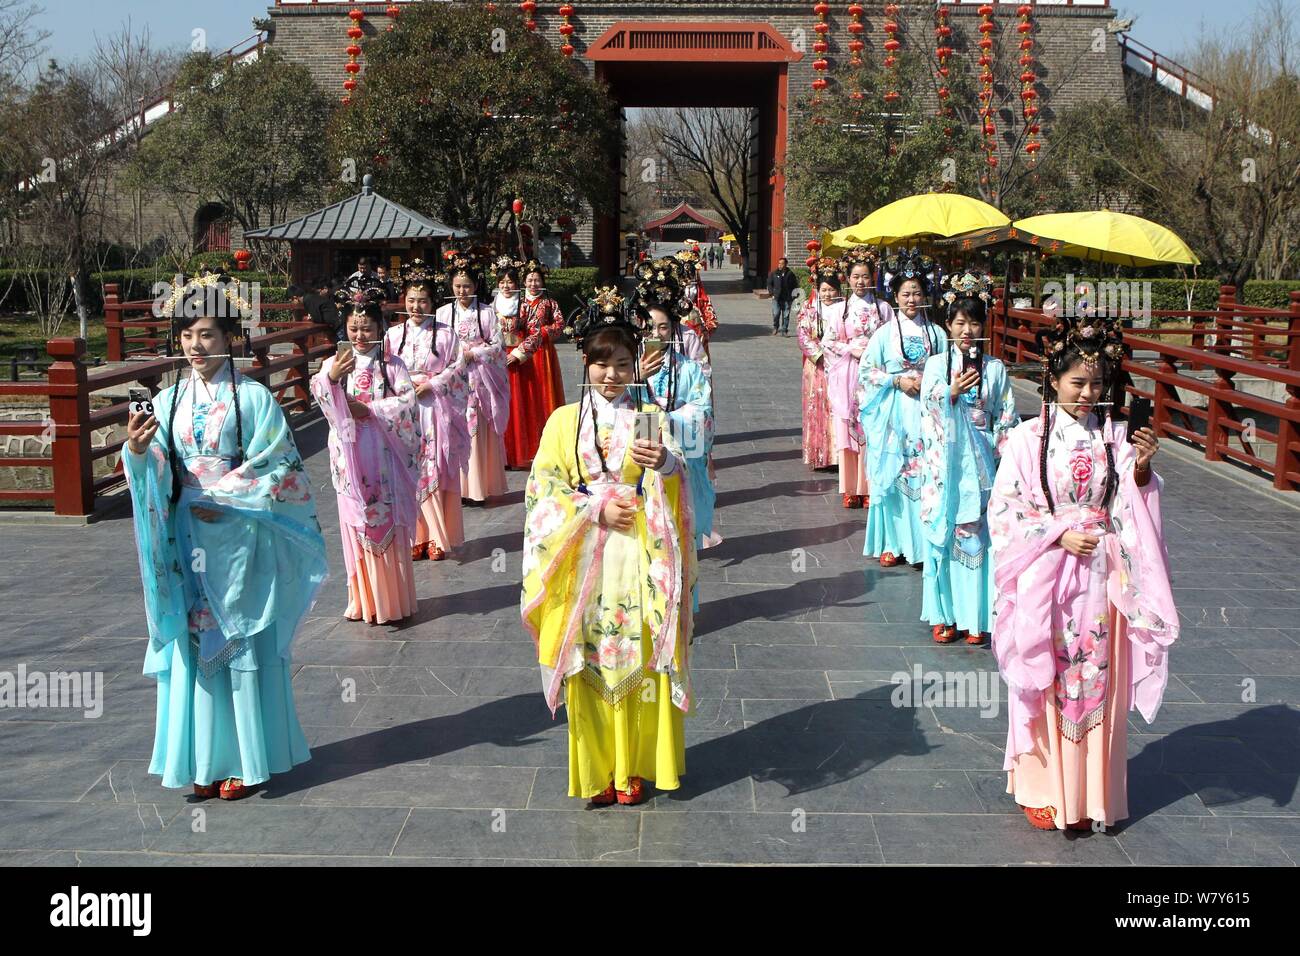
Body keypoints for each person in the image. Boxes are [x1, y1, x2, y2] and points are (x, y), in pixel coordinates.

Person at [123, 273, 326, 800]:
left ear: (231, 337)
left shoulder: (255, 397)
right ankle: (203, 759)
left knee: (236, 644)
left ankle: (241, 759)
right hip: (184, 534)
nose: (195, 346)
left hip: (238, 536)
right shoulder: (167, 399)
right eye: (187, 334)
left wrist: (228, 498)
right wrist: (140, 454)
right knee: (194, 646)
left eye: (207, 335)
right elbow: (162, 466)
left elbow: (279, 465)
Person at [989, 316, 1177, 832]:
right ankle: (1043, 788)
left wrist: (1140, 468)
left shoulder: (1117, 438)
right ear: (1053, 380)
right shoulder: (1027, 440)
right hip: (1048, 578)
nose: (1088, 393)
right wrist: (1056, 535)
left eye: (1098, 384)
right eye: (1078, 383)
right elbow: (1006, 512)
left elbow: (1129, 505)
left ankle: (1093, 792)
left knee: (1097, 681)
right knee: (1049, 677)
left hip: (1103, 578)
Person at [522, 286, 696, 806]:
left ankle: (636, 767)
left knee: (639, 655)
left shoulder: (650, 416)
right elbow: (542, 489)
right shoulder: (561, 420)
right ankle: (596, 771)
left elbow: (677, 479)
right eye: (601, 363)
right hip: (582, 554)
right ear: (585, 362)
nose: (612, 374)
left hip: (638, 550)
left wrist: (664, 464)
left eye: (622, 363)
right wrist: (594, 508)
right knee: (588, 656)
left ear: (634, 365)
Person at [918, 271, 1019, 644]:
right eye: (960, 322)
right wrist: (950, 393)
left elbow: (1006, 419)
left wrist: (1005, 462)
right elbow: (927, 413)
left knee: (977, 537)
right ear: (948, 324)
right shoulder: (935, 366)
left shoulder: (995, 369)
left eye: (974, 321)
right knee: (944, 535)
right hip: (944, 465)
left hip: (982, 467)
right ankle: (944, 613)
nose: (967, 330)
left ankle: (976, 618)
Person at [311, 281, 421, 624]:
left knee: (384, 518)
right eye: (353, 328)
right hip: (349, 453)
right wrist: (330, 378)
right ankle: (361, 599)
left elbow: (407, 403)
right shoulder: (335, 362)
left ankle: (392, 601)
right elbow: (320, 391)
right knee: (355, 521)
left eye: (367, 328)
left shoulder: (392, 365)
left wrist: (370, 411)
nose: (359, 335)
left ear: (380, 328)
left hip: (383, 452)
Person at [860, 251, 947, 560]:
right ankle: (892, 543)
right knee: (896, 475)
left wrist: (930, 384)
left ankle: (924, 544)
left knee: (927, 475)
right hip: (895, 412)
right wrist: (897, 381)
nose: (912, 299)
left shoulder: (937, 335)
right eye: (906, 294)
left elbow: (948, 370)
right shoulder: (884, 334)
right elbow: (867, 371)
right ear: (894, 296)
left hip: (928, 413)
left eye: (917, 293)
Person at [386, 258, 472, 561]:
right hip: (404, 411)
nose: (416, 306)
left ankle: (437, 537)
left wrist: (433, 386)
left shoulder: (447, 335)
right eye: (411, 300)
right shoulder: (393, 336)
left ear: (433, 302)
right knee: (408, 472)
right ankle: (415, 535)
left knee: (436, 469)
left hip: (435, 409)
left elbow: (458, 371)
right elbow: (385, 375)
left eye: (422, 301)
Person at [635, 259, 717, 556]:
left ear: (673, 328)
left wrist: (668, 419)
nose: (657, 334)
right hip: (643, 433)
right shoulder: (632, 363)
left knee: (680, 506)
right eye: (651, 327)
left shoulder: (688, 366)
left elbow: (701, 406)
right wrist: (636, 379)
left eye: (664, 327)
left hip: (680, 441)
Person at [823, 246, 890, 509]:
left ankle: (871, 485)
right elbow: (829, 342)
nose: (860, 281)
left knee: (873, 428)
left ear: (872, 277)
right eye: (855, 277)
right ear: (847, 279)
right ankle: (850, 487)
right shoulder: (840, 310)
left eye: (865, 276)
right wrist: (852, 349)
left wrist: (874, 353)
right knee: (847, 429)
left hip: (874, 373)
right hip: (849, 372)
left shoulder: (884, 309)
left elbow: (891, 341)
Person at [442, 249, 509, 504]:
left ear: (475, 285)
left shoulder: (486, 312)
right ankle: (457, 488)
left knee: (477, 431)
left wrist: (474, 353)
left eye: (466, 285)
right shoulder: (442, 313)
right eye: (457, 286)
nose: (461, 291)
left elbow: (497, 345)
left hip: (479, 380)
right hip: (453, 379)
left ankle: (478, 487)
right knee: (454, 429)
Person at [493, 255, 567, 470]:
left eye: (537, 280)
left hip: (543, 355)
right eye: (529, 280)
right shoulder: (518, 303)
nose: (533, 284)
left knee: (546, 398)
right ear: (523, 282)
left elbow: (560, 325)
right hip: (521, 356)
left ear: (543, 282)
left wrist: (544, 331)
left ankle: (548, 446)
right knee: (523, 401)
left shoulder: (550, 303)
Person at [796, 259, 840, 471]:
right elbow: (802, 335)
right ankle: (819, 454)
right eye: (824, 289)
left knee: (838, 407)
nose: (828, 294)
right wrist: (819, 354)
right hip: (817, 366)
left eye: (832, 290)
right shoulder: (808, 308)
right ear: (817, 289)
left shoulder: (845, 309)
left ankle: (839, 454)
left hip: (840, 365)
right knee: (817, 407)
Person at [303, 276, 344, 343]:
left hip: (339, 326)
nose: (318, 294)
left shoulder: (336, 296)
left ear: (325, 288)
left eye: (319, 291)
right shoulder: (318, 299)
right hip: (330, 329)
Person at [767, 256, 798, 337]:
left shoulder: (790, 274)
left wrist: (794, 296)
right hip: (776, 297)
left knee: (786, 315)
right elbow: (769, 284)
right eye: (779, 263)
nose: (780, 265)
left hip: (787, 298)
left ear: (786, 264)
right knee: (776, 313)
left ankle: (784, 330)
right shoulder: (774, 273)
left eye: (782, 264)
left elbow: (795, 285)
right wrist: (772, 294)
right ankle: (775, 327)